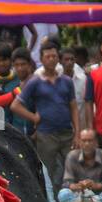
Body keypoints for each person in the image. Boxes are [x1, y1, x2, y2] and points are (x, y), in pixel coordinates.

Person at [14, 39, 78, 194]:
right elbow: (15, 105)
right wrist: (33, 117)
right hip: (46, 134)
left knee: (70, 168)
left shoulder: (67, 82)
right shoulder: (35, 82)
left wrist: (78, 131)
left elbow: (74, 107)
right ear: (41, 59)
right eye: (48, 56)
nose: (51, 59)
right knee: (48, 171)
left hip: (67, 132)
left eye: (54, 56)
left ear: (58, 58)